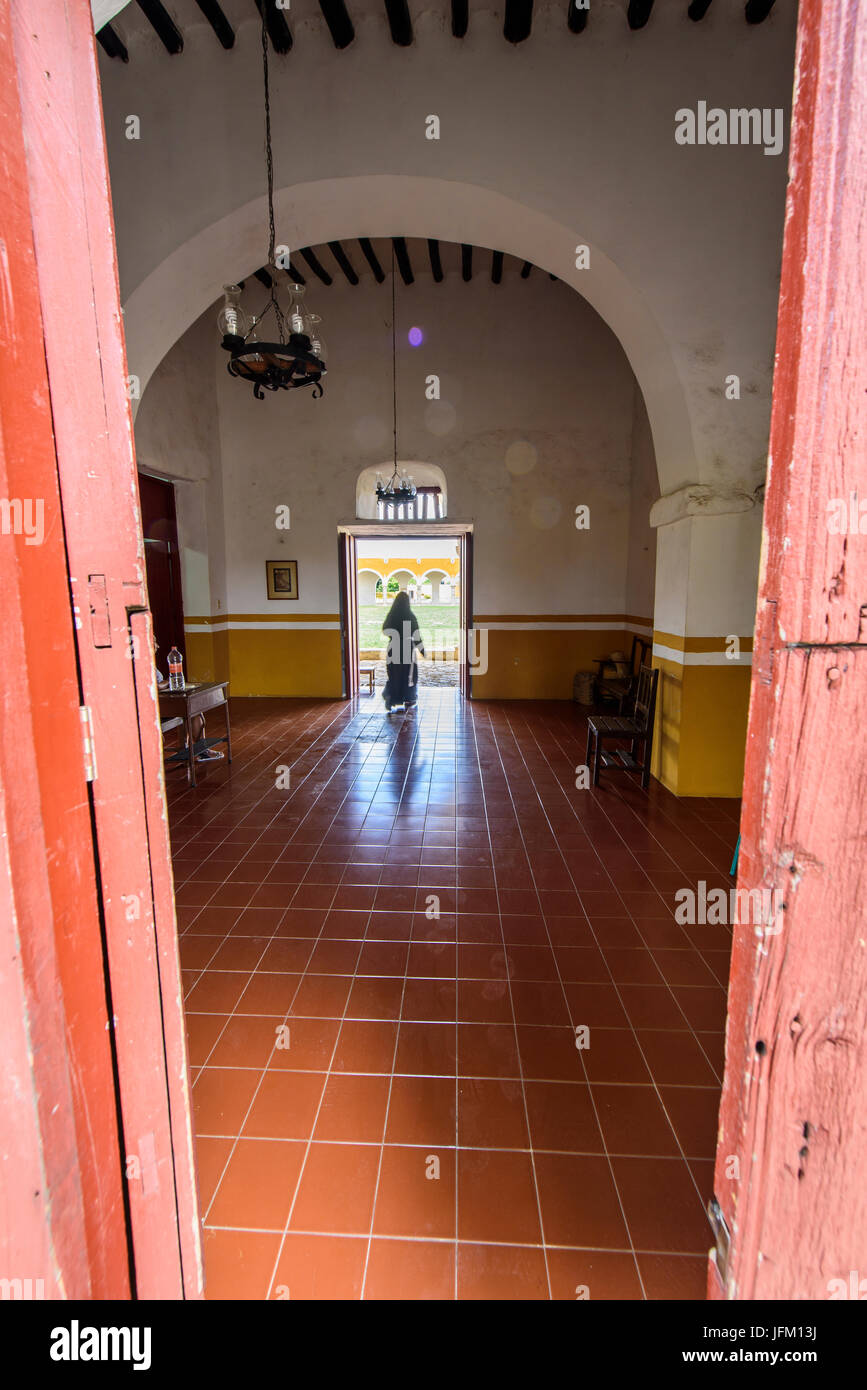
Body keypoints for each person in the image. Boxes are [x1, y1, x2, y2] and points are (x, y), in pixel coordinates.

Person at [154, 642, 223, 762]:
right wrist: (169, 680)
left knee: (194, 709)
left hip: (163, 701)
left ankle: (202, 750)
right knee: (189, 708)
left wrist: (166, 682)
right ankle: (200, 750)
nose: (157, 645)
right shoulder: (141, 664)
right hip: (156, 707)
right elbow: (158, 686)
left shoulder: (151, 664)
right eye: (154, 642)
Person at [382, 590, 425, 713]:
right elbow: (416, 635)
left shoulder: (391, 615)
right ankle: (409, 698)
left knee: (394, 674)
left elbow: (384, 629)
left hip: (393, 647)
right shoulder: (410, 616)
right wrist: (422, 649)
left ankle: (390, 696)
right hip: (407, 648)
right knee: (409, 675)